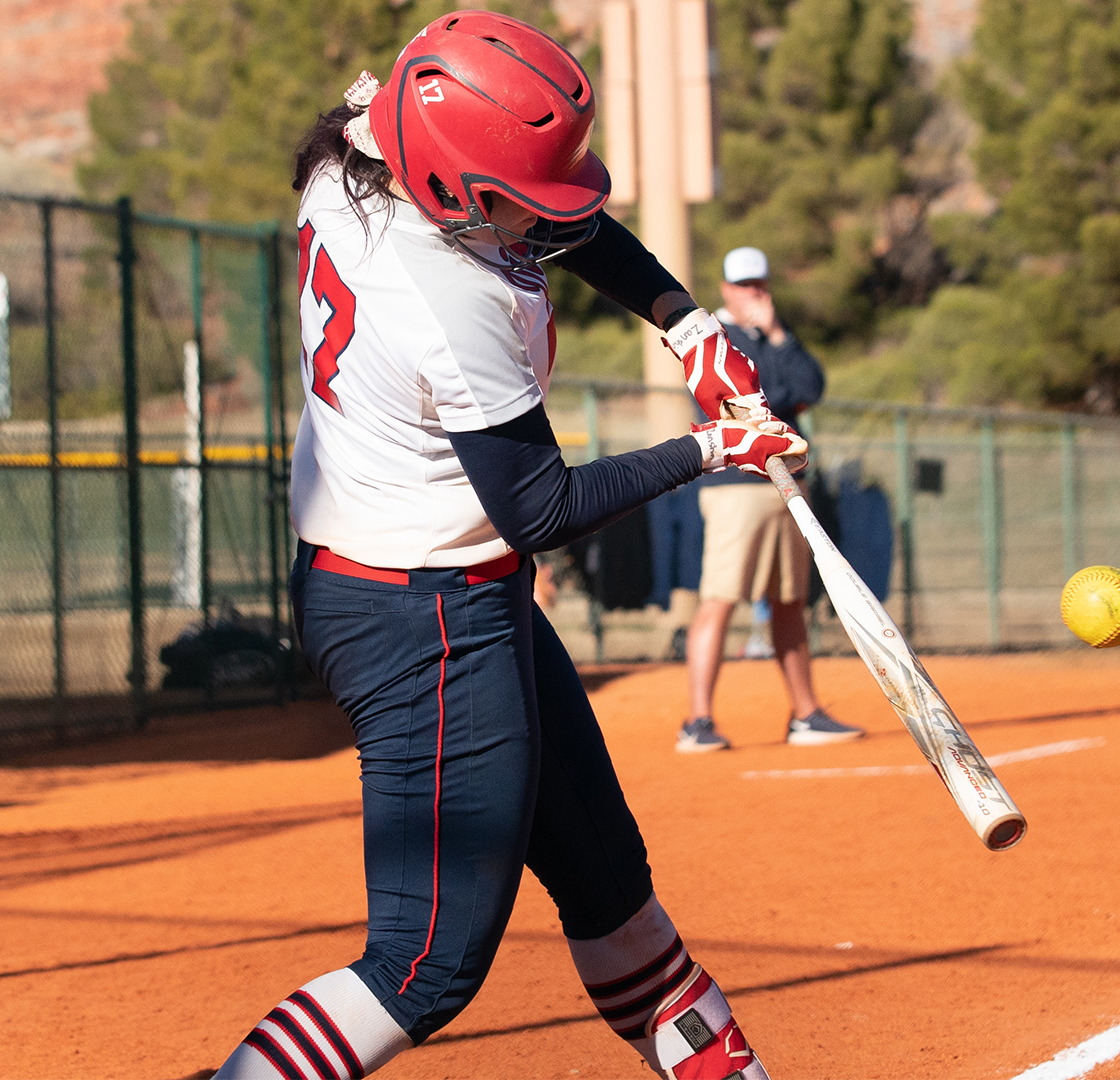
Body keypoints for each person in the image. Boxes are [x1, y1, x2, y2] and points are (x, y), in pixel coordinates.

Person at [210, 13, 809, 1080]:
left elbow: (563, 222)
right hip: (419, 617)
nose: (540, 214)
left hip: (449, 590)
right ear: (450, 189)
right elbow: (540, 508)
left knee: (614, 892)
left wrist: (683, 320)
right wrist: (712, 445)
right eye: (514, 198)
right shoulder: (447, 295)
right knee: (424, 966)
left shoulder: (361, 146)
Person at [676, 247, 864, 753]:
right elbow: (763, 404)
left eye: (760, 283)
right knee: (720, 599)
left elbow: (810, 387)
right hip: (736, 485)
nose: (754, 293)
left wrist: (779, 335)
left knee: (789, 601)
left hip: (785, 486)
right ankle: (696, 722)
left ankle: (805, 714)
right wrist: (777, 369)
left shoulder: (772, 337)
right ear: (726, 290)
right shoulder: (715, 338)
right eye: (744, 285)